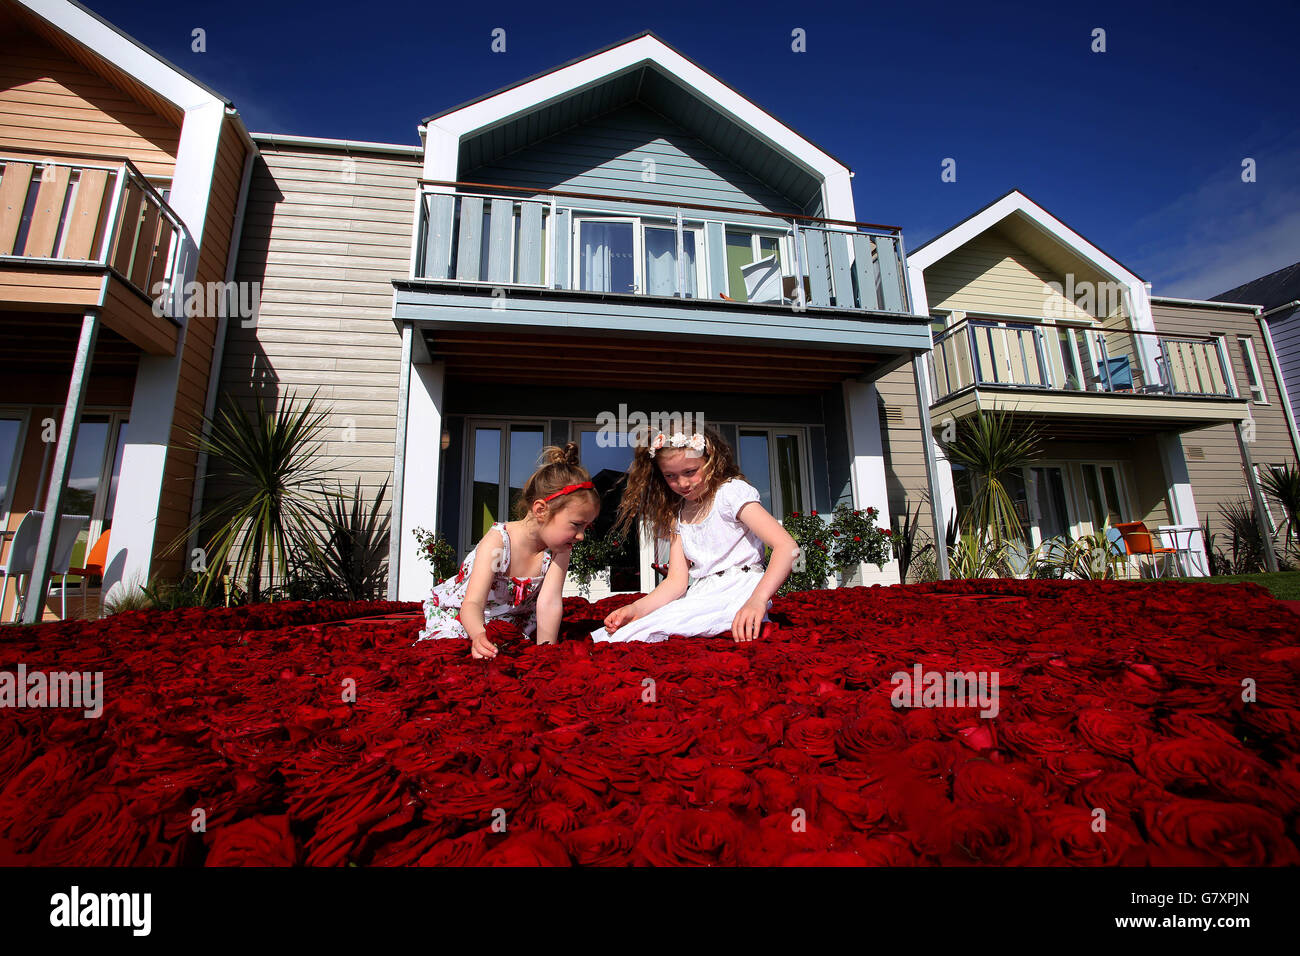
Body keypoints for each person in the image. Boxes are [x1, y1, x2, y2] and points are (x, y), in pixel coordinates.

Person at [591, 424, 797, 644]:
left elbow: (787, 547)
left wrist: (757, 599)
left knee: (650, 635)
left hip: (740, 591)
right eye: (670, 476)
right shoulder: (679, 514)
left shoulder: (730, 493)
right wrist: (635, 609)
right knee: (623, 633)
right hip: (701, 595)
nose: (682, 483)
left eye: (690, 472)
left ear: (710, 461)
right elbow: (676, 582)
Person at [416, 442, 599, 658]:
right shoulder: (499, 544)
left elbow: (549, 602)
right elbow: (473, 602)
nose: (581, 536)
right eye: (576, 525)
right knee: (453, 646)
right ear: (541, 510)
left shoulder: (559, 550)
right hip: (471, 617)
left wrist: (546, 652)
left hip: (514, 621)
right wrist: (478, 636)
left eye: (586, 527)